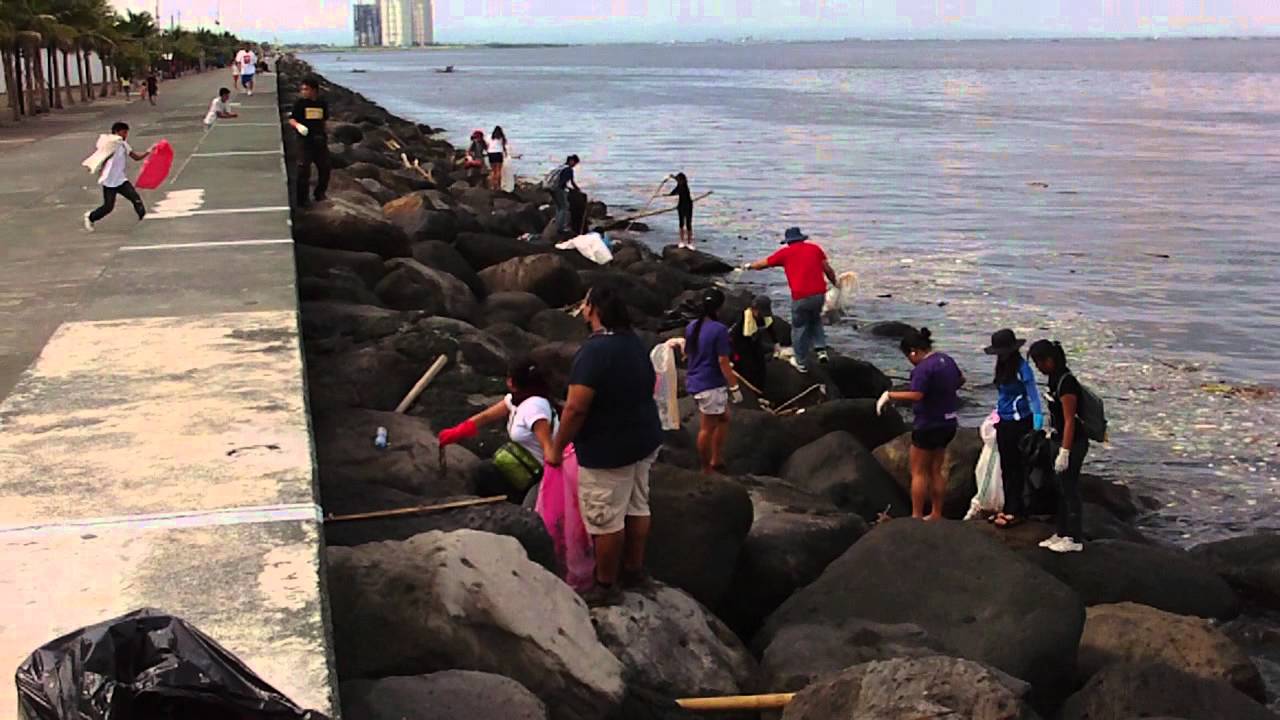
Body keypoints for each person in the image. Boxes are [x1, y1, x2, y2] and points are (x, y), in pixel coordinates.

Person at [546, 284, 663, 605]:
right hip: (644, 437)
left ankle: (606, 585)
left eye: (585, 303)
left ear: (592, 309)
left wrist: (556, 448)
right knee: (638, 505)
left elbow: (575, 407)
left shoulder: (594, 351)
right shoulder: (632, 341)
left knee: (605, 519)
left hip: (609, 449)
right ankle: (634, 570)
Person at [876, 327, 965, 520]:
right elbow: (961, 380)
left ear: (914, 351)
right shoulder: (946, 360)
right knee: (936, 470)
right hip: (948, 423)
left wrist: (890, 395)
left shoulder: (923, 368)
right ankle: (936, 513)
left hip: (927, 424)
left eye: (909, 355)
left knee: (918, 472)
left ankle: (916, 515)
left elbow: (917, 395)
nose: (910, 360)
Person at [437, 357, 559, 477]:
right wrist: (458, 431)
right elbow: (486, 416)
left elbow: (549, 449)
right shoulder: (518, 398)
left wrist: (550, 482)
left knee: (483, 473)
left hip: (540, 470)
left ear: (511, 382)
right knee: (484, 469)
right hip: (524, 461)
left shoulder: (534, 408)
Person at [742, 226, 837, 373]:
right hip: (819, 293)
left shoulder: (785, 253)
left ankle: (801, 363)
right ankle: (821, 349)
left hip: (801, 296)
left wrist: (749, 266)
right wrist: (835, 283)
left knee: (799, 328)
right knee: (815, 319)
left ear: (788, 241)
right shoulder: (815, 249)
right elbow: (828, 269)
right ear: (802, 238)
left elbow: (763, 264)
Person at [1028, 339, 1087, 553]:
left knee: (1069, 488)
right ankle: (1061, 532)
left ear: (1050, 360)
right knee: (1058, 488)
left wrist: (1065, 451)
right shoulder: (1053, 379)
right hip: (1056, 437)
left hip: (1072, 441)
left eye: (1039, 362)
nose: (1038, 367)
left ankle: (1074, 537)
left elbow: (1070, 419)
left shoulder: (1066, 382)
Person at [983, 329, 1044, 528]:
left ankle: (1015, 511)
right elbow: (1002, 395)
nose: (1000, 355)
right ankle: (1009, 507)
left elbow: (1033, 394)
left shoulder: (1021, 367)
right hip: (1004, 420)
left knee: (1017, 467)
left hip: (1020, 421)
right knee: (1006, 466)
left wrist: (1037, 422)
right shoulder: (1001, 366)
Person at [683, 288, 742, 474]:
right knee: (706, 428)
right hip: (710, 384)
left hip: (695, 379)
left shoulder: (692, 326)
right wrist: (734, 386)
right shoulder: (720, 330)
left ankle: (716, 457)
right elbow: (723, 361)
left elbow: (687, 353)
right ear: (719, 308)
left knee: (724, 417)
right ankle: (705, 467)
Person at [83, 121, 152, 232]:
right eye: (123, 132)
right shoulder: (109, 144)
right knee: (108, 207)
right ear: (117, 132)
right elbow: (100, 156)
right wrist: (95, 166)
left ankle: (143, 219)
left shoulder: (123, 144)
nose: (125, 135)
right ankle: (90, 217)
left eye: (126, 133)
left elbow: (135, 157)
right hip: (109, 181)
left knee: (136, 199)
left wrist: (148, 152)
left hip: (121, 180)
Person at [289, 76, 331, 207]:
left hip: (319, 139)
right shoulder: (300, 104)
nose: (303, 91)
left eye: (306, 89)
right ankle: (302, 200)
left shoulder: (322, 103)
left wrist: (324, 134)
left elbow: (324, 120)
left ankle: (320, 193)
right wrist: (298, 126)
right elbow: (291, 119)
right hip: (304, 140)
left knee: (325, 168)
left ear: (314, 90)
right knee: (303, 170)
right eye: (302, 89)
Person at [729, 295, 781, 395]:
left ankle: (760, 392)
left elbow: (771, 329)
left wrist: (776, 343)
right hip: (740, 346)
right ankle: (749, 393)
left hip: (755, 343)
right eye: (759, 312)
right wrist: (733, 355)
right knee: (747, 369)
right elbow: (732, 337)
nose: (761, 315)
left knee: (761, 368)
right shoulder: (742, 318)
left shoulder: (764, 318)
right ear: (753, 309)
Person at [550, 154, 581, 236]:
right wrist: (576, 189)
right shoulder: (568, 170)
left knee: (558, 206)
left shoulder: (561, 167)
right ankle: (560, 227)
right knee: (564, 207)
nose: (575, 165)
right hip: (558, 189)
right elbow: (566, 182)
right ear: (571, 161)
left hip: (551, 188)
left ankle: (557, 223)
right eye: (575, 163)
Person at [669, 172, 695, 249]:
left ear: (683, 180)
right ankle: (682, 241)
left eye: (679, 180)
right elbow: (674, 191)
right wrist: (672, 177)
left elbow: (676, 191)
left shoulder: (684, 187)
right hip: (680, 206)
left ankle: (689, 243)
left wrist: (671, 193)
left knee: (688, 224)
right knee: (681, 224)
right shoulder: (679, 185)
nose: (678, 181)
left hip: (688, 206)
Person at [488, 126, 509, 191]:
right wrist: (506, 153)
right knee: (498, 171)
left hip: (490, 153)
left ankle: (492, 186)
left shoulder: (490, 137)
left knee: (493, 171)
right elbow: (504, 146)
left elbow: (488, 145)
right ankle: (498, 186)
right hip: (498, 153)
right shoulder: (502, 138)